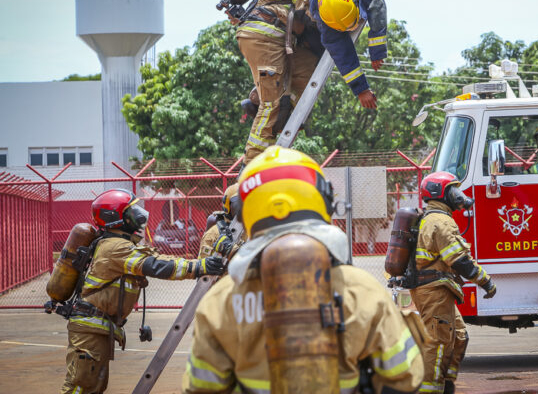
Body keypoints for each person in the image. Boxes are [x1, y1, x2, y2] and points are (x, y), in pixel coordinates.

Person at [183, 146, 424, 393]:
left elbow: (202, 387)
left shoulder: (220, 302)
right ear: (324, 201)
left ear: (244, 213)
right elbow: (405, 377)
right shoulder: (362, 290)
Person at [60, 189, 225, 394]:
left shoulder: (123, 244)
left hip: (98, 326)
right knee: (80, 386)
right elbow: (156, 266)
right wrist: (199, 267)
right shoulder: (115, 247)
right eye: (131, 213)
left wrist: (199, 264)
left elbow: (163, 259)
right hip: (90, 327)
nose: (139, 217)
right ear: (116, 219)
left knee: (93, 385)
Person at [236, 0, 345, 163]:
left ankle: (260, 99)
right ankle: (251, 164)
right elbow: (306, 16)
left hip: (272, 36)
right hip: (265, 35)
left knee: (307, 77)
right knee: (273, 103)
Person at [411, 172, 497, 394]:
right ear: (440, 193)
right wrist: (485, 281)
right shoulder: (440, 221)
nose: (458, 195)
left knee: (459, 336)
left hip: (440, 290)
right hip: (434, 291)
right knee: (438, 343)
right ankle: (430, 389)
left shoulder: (435, 218)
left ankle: (446, 383)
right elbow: (459, 260)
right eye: (453, 190)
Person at [309, 0, 388, 109]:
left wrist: (377, 50)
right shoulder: (320, 11)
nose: (356, 27)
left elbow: (376, 5)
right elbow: (341, 52)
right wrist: (361, 89)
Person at [198, 183, 240, 260]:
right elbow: (202, 264)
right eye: (239, 202)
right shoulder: (214, 234)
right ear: (227, 204)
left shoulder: (255, 229)